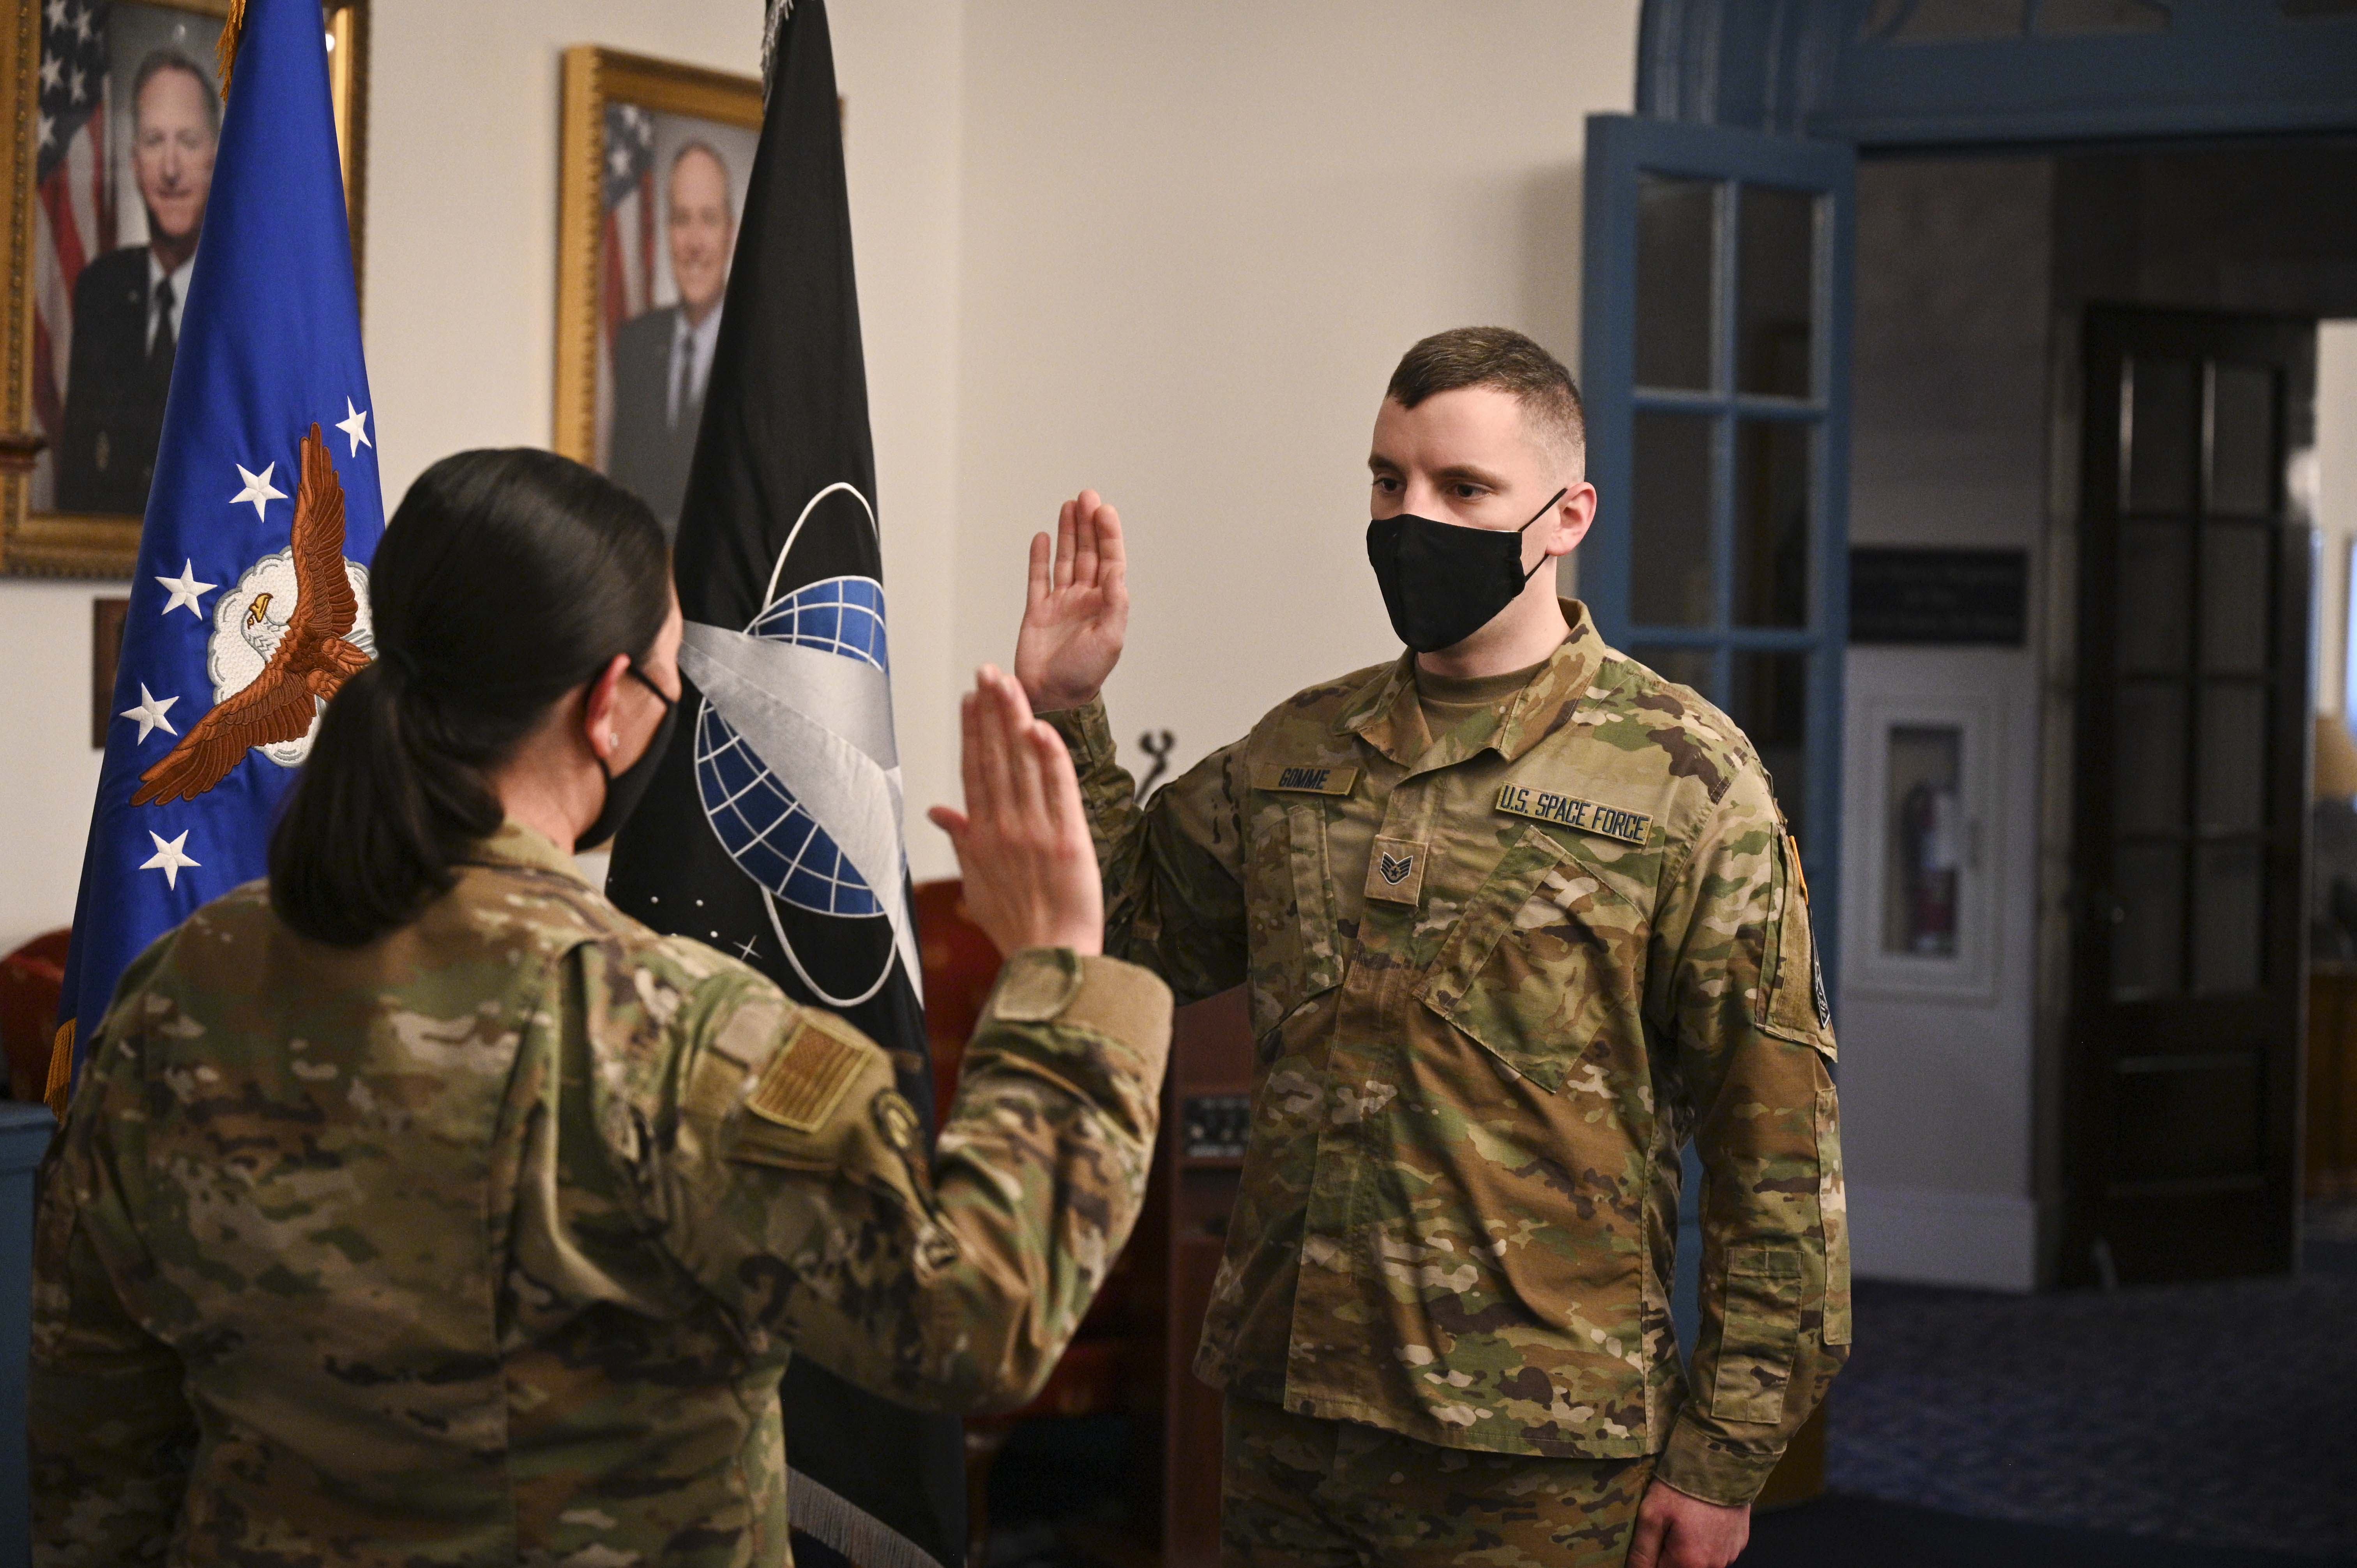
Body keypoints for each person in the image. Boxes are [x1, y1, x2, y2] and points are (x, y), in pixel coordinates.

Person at [31, 450, 1171, 1565]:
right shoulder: (675, 1031)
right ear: (611, 706)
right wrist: (1059, 971)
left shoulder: (181, 985)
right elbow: (973, 1322)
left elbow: (98, 1407)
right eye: (673, 675)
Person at [1014, 327, 1848, 1568]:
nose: (1413, 519)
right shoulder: (1301, 748)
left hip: (1537, 1450)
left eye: (1464, 490)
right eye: (1388, 481)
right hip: (1293, 1418)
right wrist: (1070, 709)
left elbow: (1777, 1149)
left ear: (1567, 516)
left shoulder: (1683, 777)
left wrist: (1725, 1458)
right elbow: (1131, 932)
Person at [56, 49, 218, 515]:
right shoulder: (101, 292)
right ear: (134, 163)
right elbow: (78, 479)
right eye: (154, 141)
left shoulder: (246, 305)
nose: (170, 169)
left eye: (188, 141)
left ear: (216, 158)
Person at [608, 140, 735, 536]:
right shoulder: (636, 345)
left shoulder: (760, 354)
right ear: (666, 230)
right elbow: (620, 491)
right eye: (682, 219)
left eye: (709, 219)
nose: (694, 243)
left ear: (731, 233)